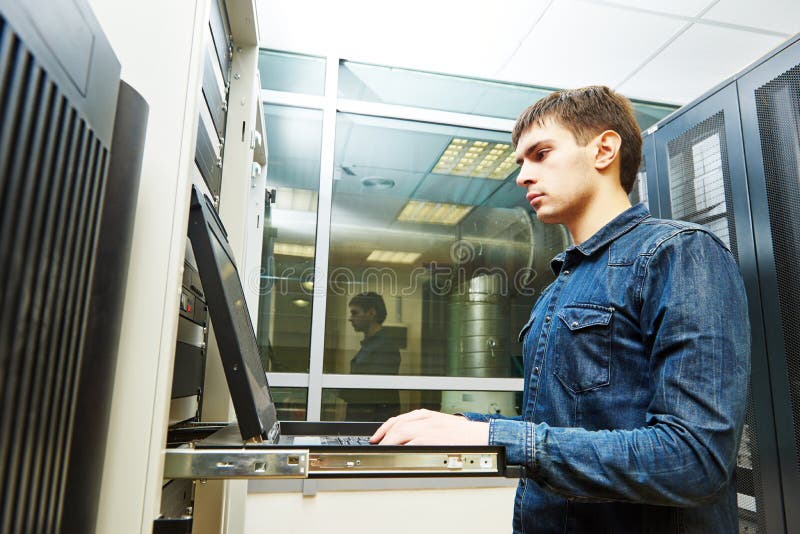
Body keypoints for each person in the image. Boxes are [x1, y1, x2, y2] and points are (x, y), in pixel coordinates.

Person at [370, 86, 750, 533]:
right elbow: (559, 429)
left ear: (604, 150)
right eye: (521, 162)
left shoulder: (679, 253)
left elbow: (693, 460)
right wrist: (461, 425)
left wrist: (492, 436)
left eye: (541, 153)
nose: (522, 176)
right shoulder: (560, 286)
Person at [342, 292, 401, 421]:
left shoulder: (385, 346)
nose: (350, 319)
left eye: (355, 313)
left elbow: (374, 391)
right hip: (365, 420)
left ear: (371, 313)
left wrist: (335, 387)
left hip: (372, 422)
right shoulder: (371, 344)